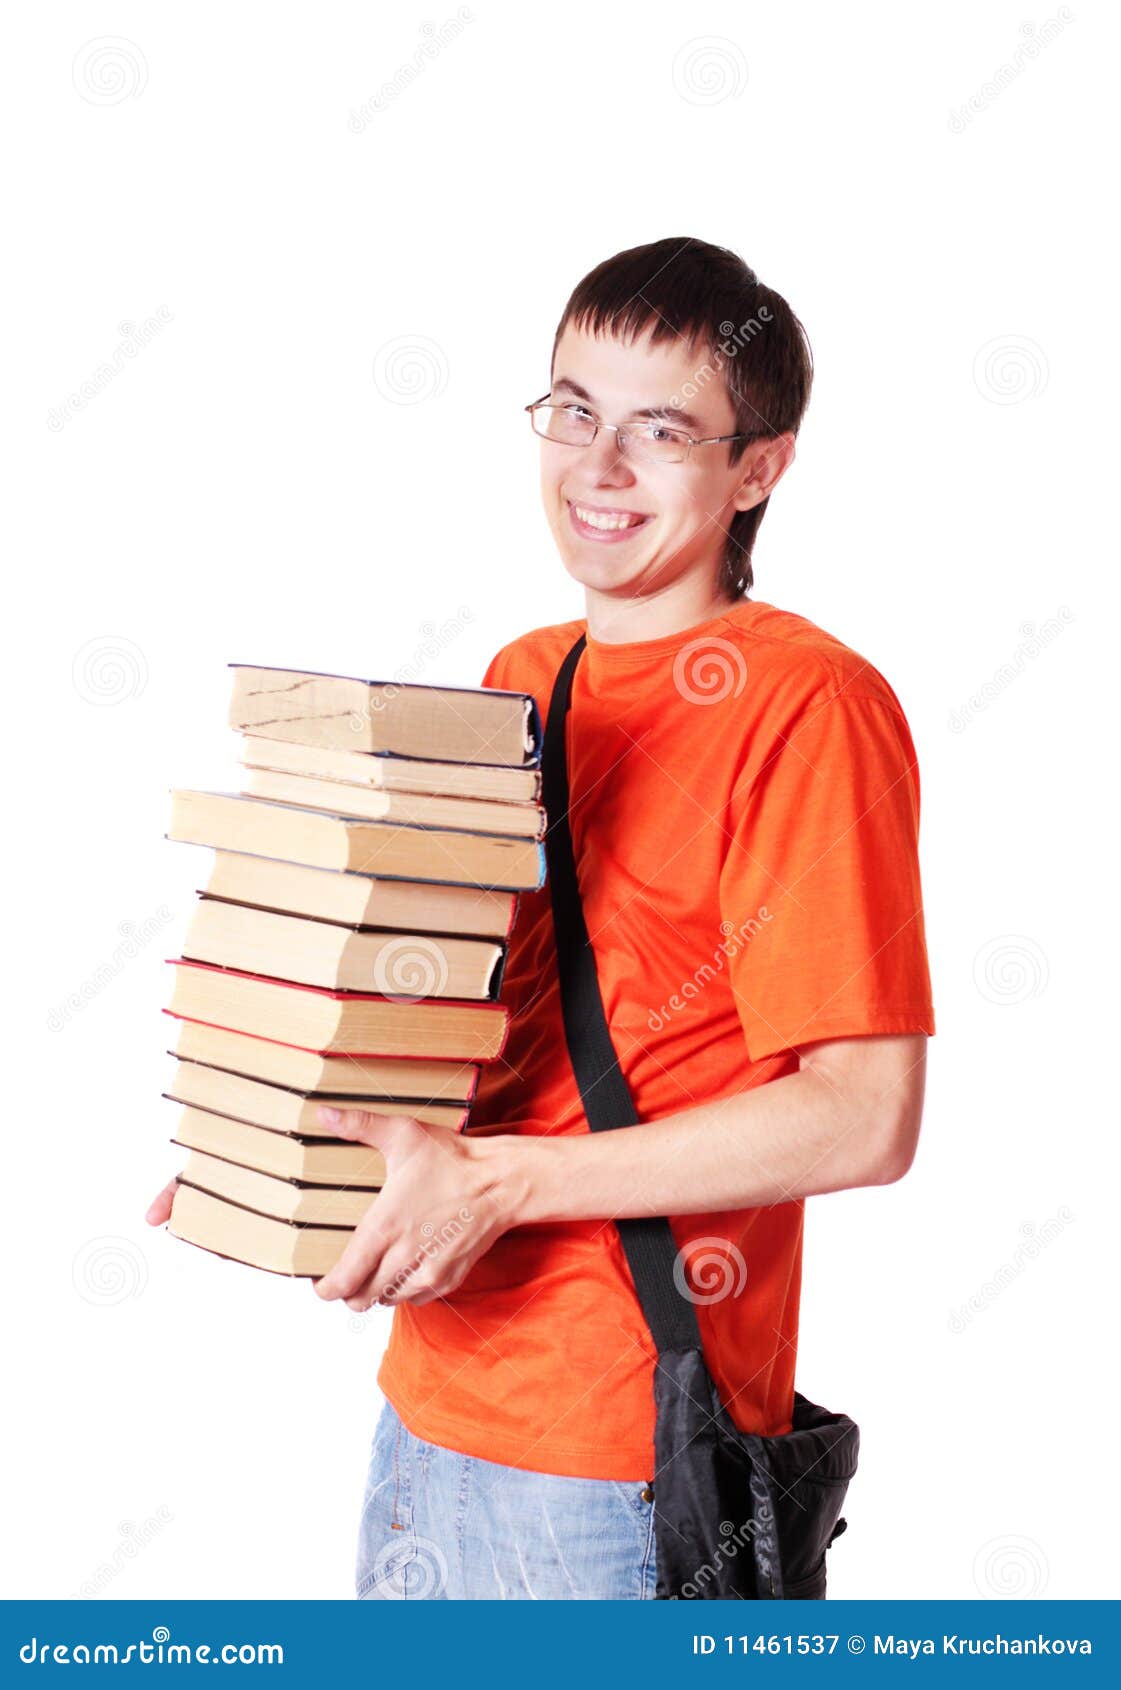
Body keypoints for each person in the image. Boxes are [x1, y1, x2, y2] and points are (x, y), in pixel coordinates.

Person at [146, 235, 936, 1600]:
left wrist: (503, 1183)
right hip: (431, 1401)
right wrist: (287, 1145)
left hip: (613, 1456)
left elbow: (862, 1114)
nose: (597, 468)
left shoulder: (806, 702)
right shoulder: (525, 677)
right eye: (572, 412)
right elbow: (480, 1034)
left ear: (756, 469)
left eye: (662, 431)